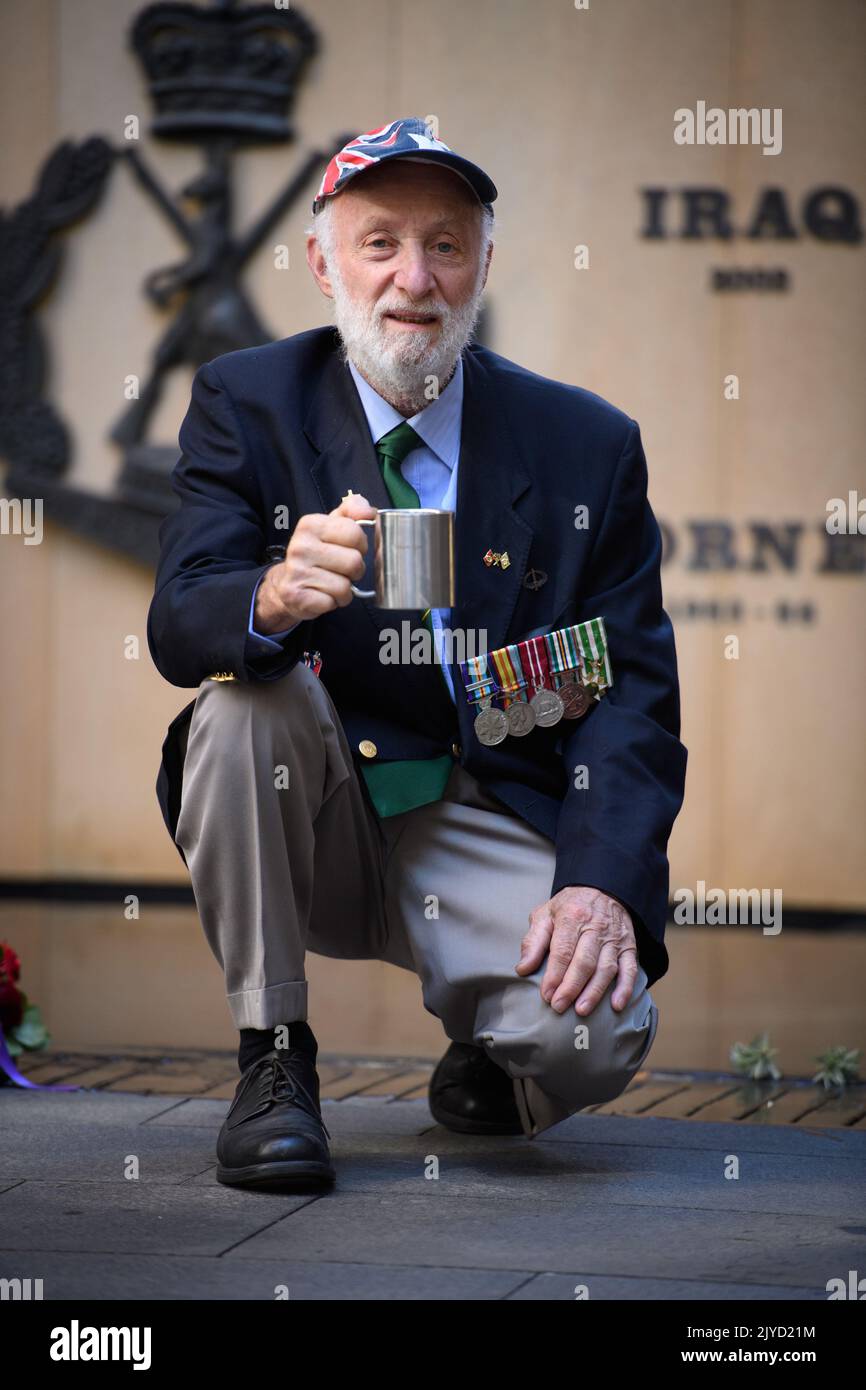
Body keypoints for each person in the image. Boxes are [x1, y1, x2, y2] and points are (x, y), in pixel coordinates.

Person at [148, 117, 688, 1191]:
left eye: (445, 244)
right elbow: (179, 621)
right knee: (241, 703)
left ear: (483, 264)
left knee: (594, 1032)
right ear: (321, 263)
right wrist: (267, 595)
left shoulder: (585, 442)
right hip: (316, 800)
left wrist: (598, 891)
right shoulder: (246, 401)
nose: (414, 278)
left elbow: (629, 695)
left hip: (478, 804)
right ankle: (272, 1057)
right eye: (380, 242)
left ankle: (489, 1046)